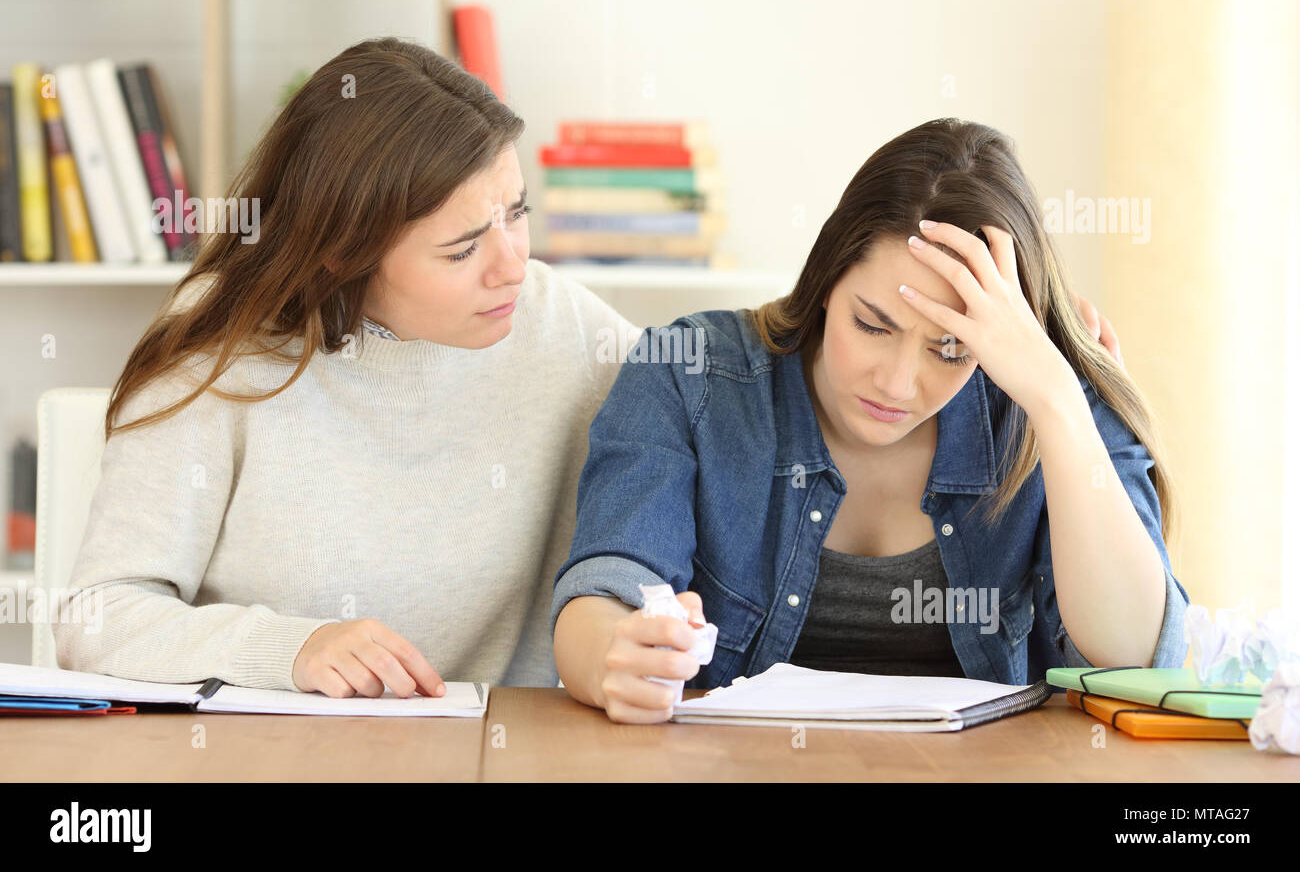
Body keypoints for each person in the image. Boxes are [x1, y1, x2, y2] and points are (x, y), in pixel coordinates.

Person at [54, 36, 639, 697]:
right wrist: (292, 649)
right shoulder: (223, 352)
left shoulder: (561, 323)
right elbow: (98, 616)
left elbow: (721, 412)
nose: (512, 266)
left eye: (517, 214)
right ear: (343, 253)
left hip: (501, 754)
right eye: (462, 248)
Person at [551, 117, 1188, 724]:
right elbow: (604, 590)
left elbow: (1136, 654)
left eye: (951, 348)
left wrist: (1058, 402)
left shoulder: (1046, 398)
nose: (897, 383)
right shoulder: (691, 376)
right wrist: (618, 655)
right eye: (872, 324)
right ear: (827, 278)